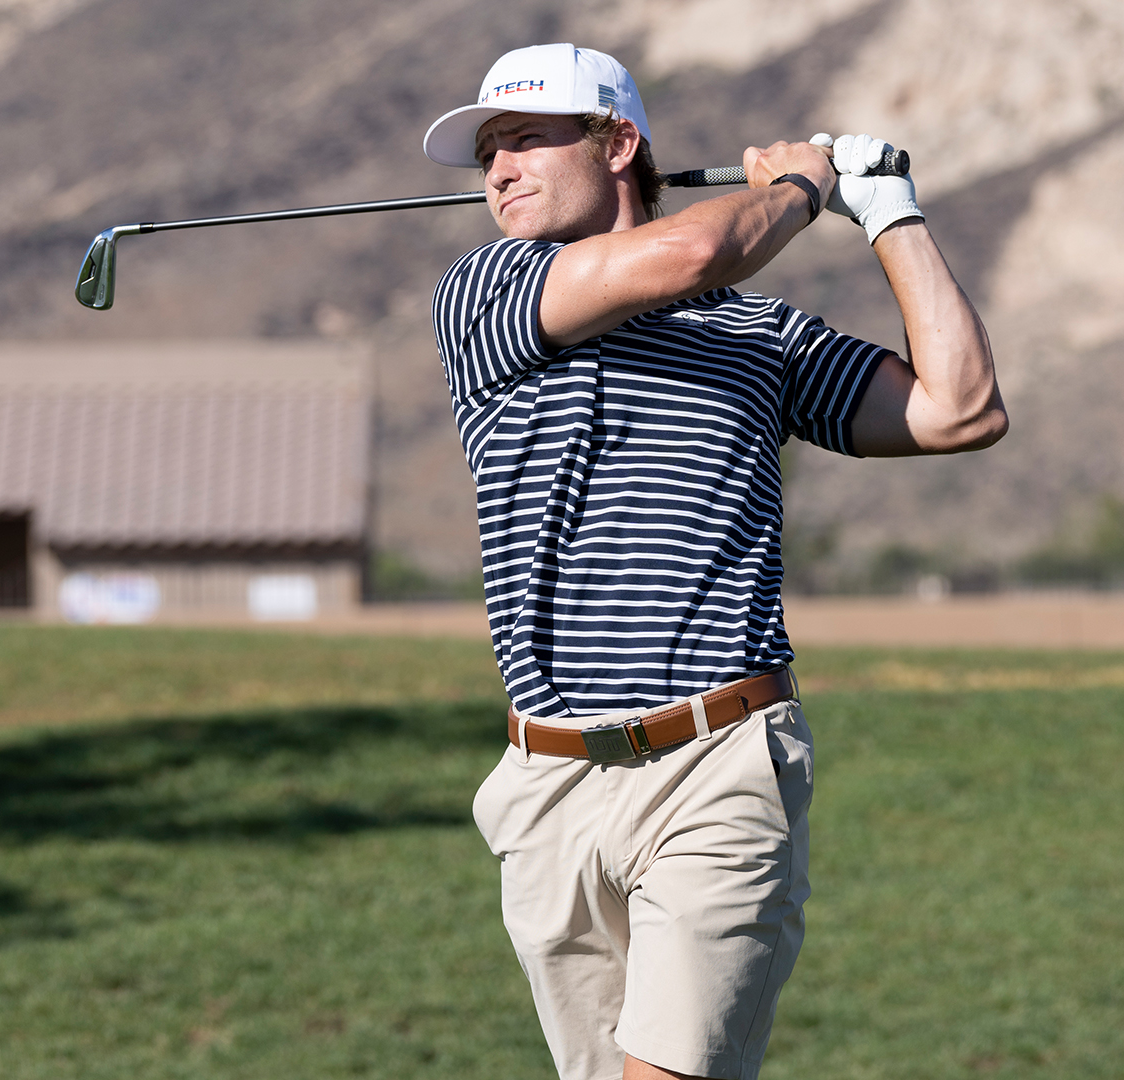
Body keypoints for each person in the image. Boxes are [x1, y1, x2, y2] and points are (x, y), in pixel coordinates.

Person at [424, 42, 1005, 1080]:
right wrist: (794, 188)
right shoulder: (491, 293)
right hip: (547, 784)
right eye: (486, 153)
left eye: (524, 140)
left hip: (716, 764)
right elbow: (689, 257)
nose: (498, 171)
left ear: (618, 145)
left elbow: (959, 410)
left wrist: (890, 215)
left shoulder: (758, 335)